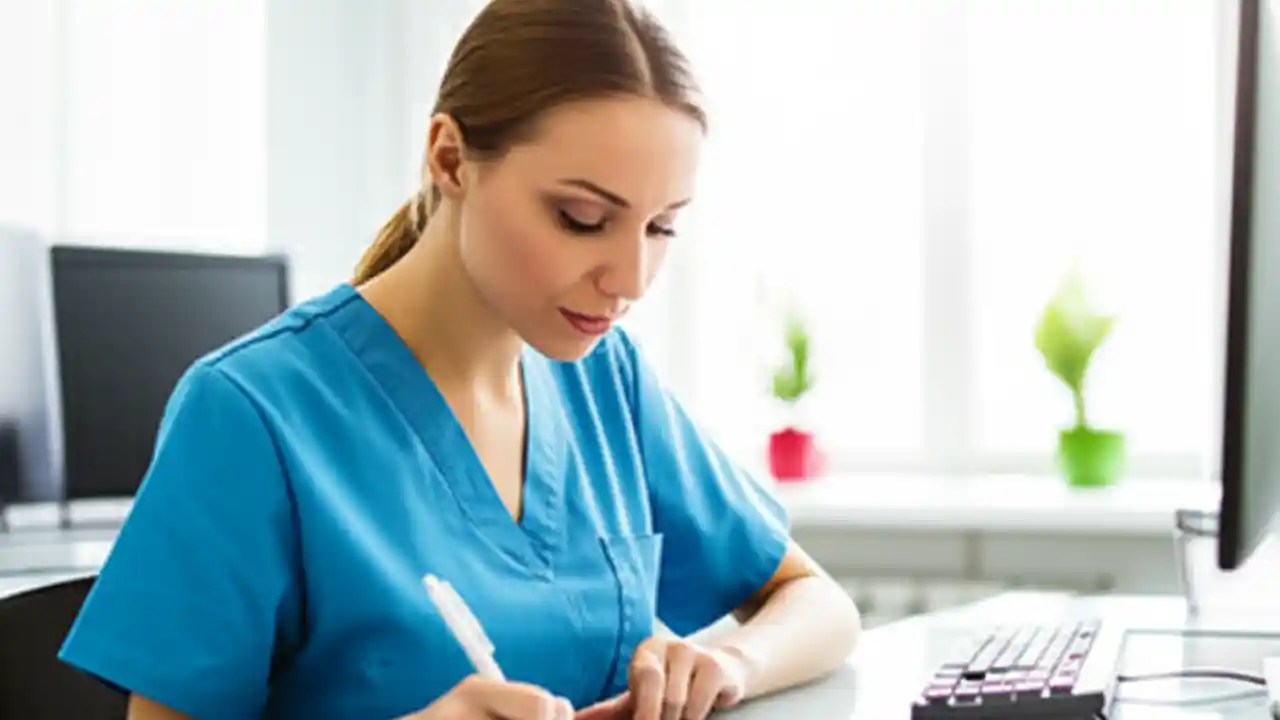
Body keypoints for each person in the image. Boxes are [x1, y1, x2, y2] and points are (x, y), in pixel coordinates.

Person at [58, 1, 860, 718]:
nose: (631, 281)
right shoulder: (250, 413)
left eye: (661, 229)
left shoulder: (605, 380)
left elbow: (816, 603)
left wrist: (726, 662)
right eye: (581, 219)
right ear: (449, 159)